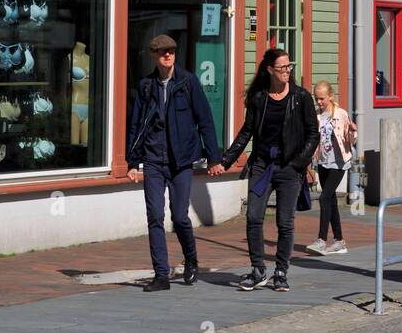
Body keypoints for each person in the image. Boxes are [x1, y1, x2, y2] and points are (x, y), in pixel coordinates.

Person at [212, 48, 318, 292]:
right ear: (270, 70)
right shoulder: (259, 98)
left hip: (290, 167)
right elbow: (246, 132)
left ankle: (281, 271)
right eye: (282, 68)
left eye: (289, 67)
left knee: (285, 222)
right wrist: (225, 161)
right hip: (262, 165)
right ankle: (258, 270)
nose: (287, 72)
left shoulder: (301, 97)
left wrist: (299, 162)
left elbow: (312, 133)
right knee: (254, 217)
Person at [126, 34, 221, 292]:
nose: (168, 55)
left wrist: (214, 158)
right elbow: (135, 126)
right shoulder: (147, 86)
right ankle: (161, 275)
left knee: (179, 216)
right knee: (155, 216)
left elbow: (205, 120)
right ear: (154, 56)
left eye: (171, 51)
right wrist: (132, 162)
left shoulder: (188, 82)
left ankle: (191, 258)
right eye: (162, 52)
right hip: (154, 160)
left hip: (181, 161)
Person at [306, 82, 357, 255]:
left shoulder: (341, 114)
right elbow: (314, 138)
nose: (319, 102)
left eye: (321, 98)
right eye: (316, 98)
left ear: (330, 96)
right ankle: (339, 241)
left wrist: (353, 132)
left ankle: (321, 240)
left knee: (324, 197)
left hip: (340, 162)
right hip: (323, 161)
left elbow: (350, 139)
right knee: (331, 200)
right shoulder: (317, 116)